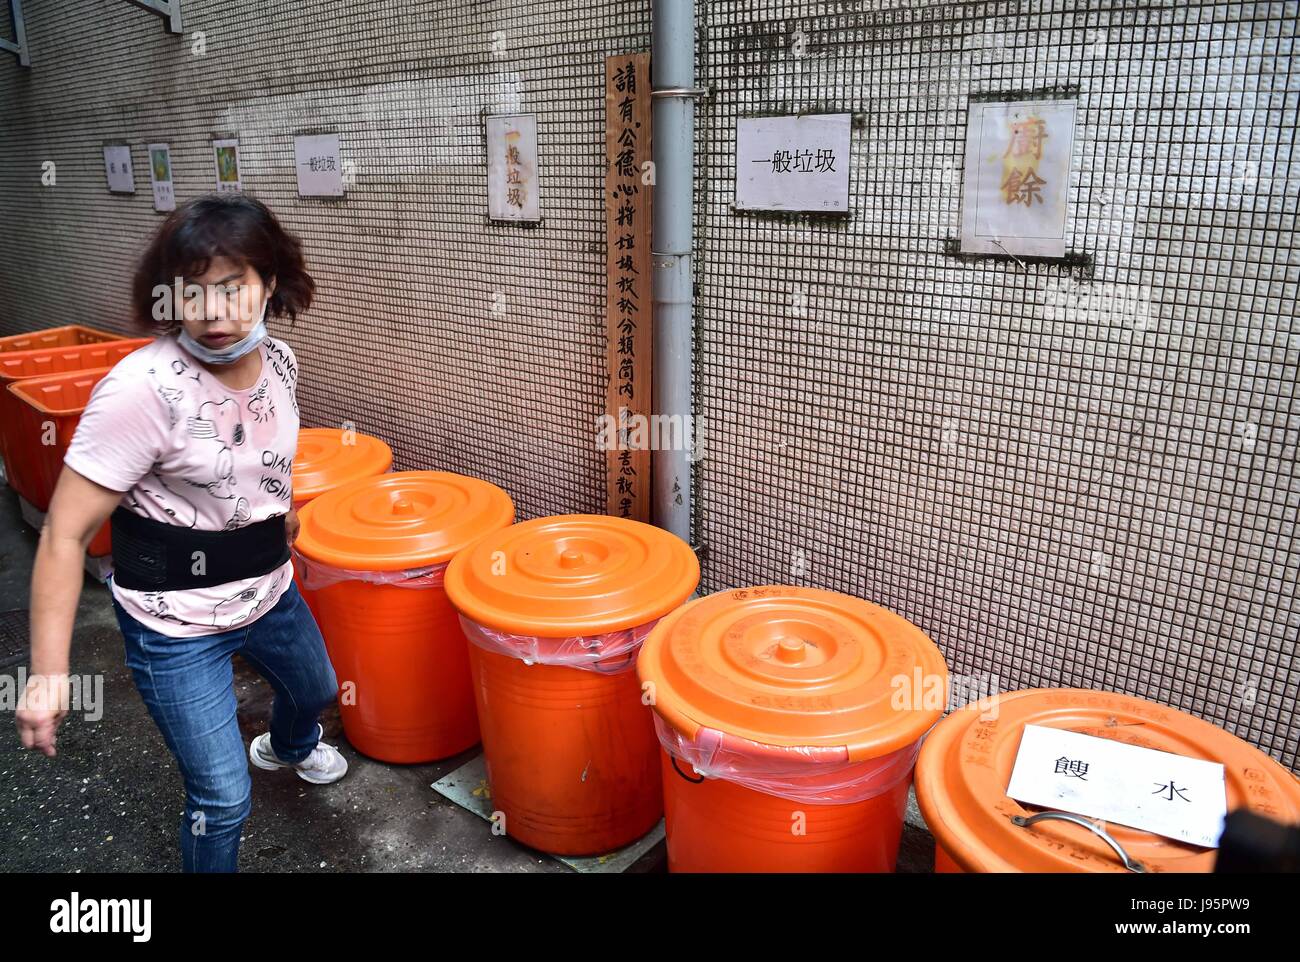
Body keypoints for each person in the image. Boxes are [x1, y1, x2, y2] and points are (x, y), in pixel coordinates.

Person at [15, 193, 347, 873]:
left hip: (270, 594)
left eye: (233, 287)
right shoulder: (141, 390)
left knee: (315, 692)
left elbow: (259, 461)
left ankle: (288, 746)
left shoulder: (280, 363)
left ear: (269, 283)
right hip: (175, 629)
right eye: (193, 291)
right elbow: (64, 536)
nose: (214, 311)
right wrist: (49, 676)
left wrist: (276, 517)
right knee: (223, 799)